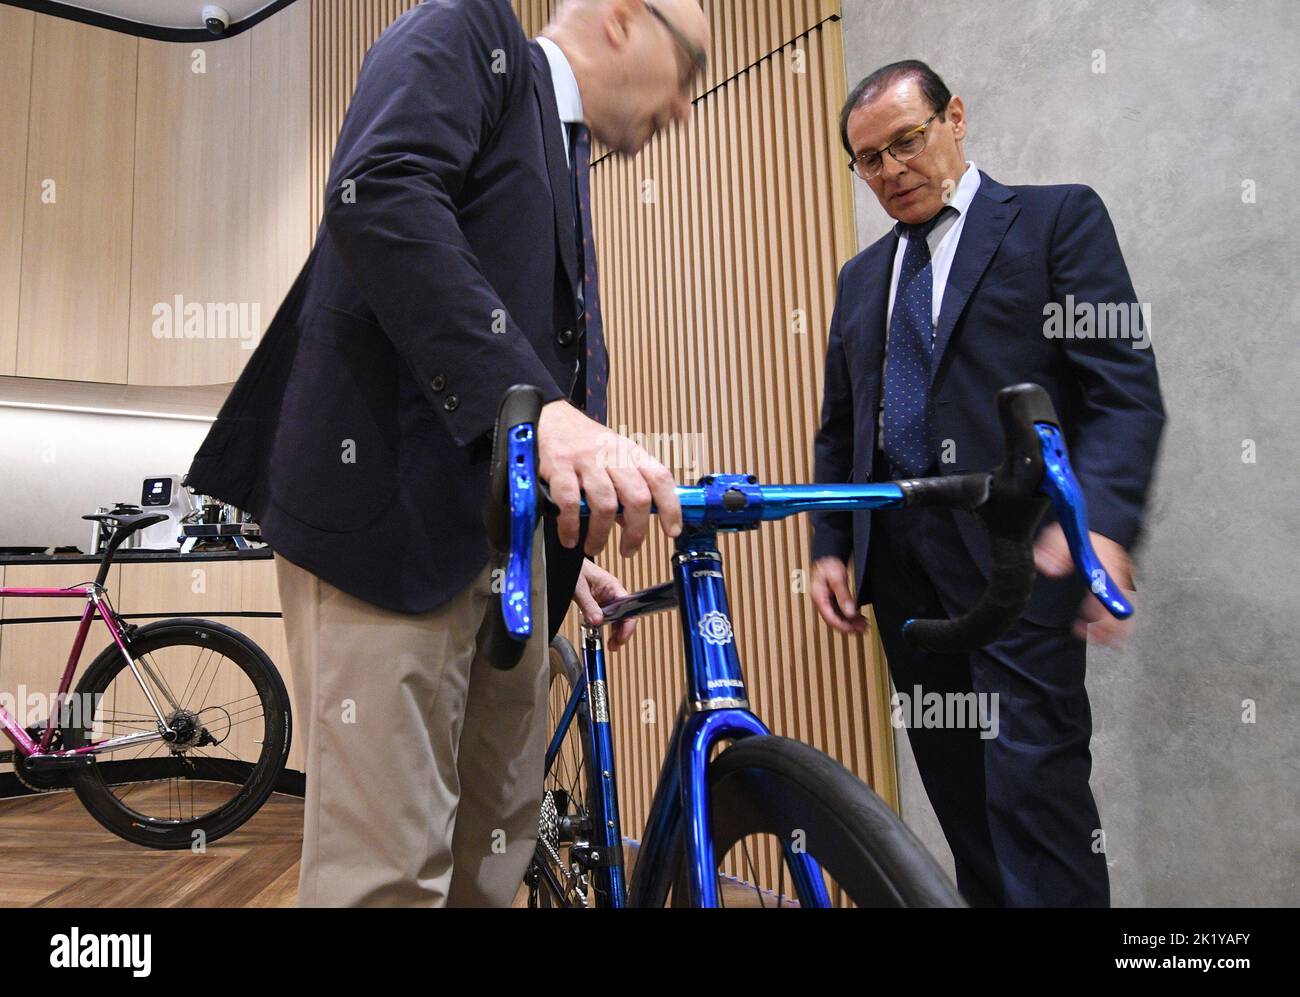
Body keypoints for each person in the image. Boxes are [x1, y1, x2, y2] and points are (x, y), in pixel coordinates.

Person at [185, 0, 710, 907]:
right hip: (387, 522)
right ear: (626, 18)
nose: (686, 107)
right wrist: (545, 413)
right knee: (385, 876)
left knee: (489, 862)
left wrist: (558, 540)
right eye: (690, 65)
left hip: (503, 551)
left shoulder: (563, 149)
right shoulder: (471, 27)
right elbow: (378, 190)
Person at [809, 60, 1165, 907]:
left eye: (907, 141)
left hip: (1019, 564)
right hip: (902, 578)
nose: (892, 171)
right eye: (870, 159)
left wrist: (1102, 527)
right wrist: (831, 544)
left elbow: (1124, 392)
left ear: (954, 118)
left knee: (1035, 803)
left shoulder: (1054, 221)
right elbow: (840, 425)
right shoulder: (861, 279)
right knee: (964, 808)